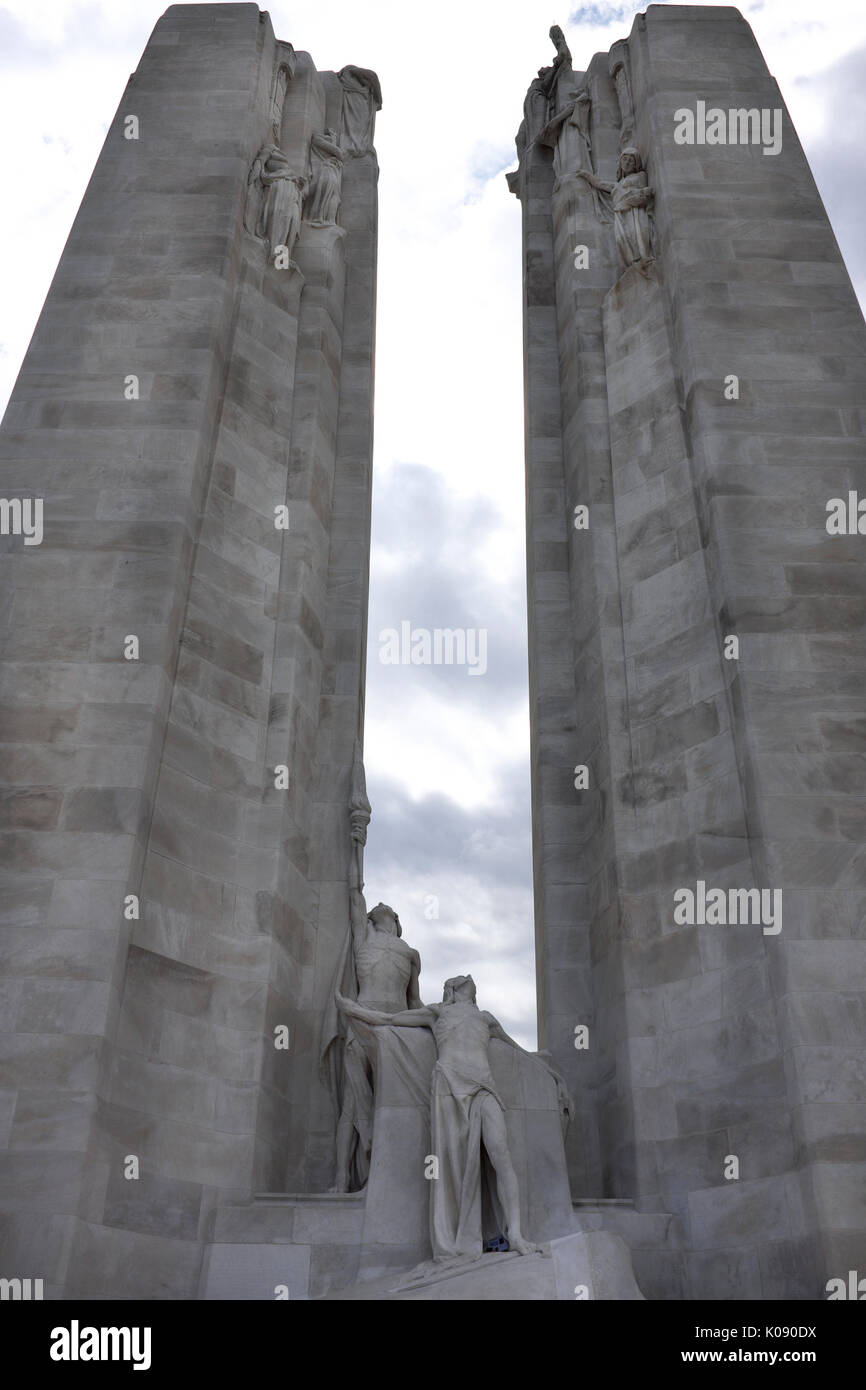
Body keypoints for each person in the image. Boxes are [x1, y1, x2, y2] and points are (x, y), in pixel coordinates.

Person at [337, 974, 543, 1259]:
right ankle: (461, 1234)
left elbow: (518, 1049)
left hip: (483, 1086)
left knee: (501, 1153)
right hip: (449, 1085)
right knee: (453, 1162)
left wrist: (551, 1072)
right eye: (468, 982)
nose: (473, 984)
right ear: (454, 989)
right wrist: (354, 1010)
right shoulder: (437, 1012)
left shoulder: (486, 1018)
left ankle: (516, 1234)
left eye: (474, 983)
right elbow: (391, 1019)